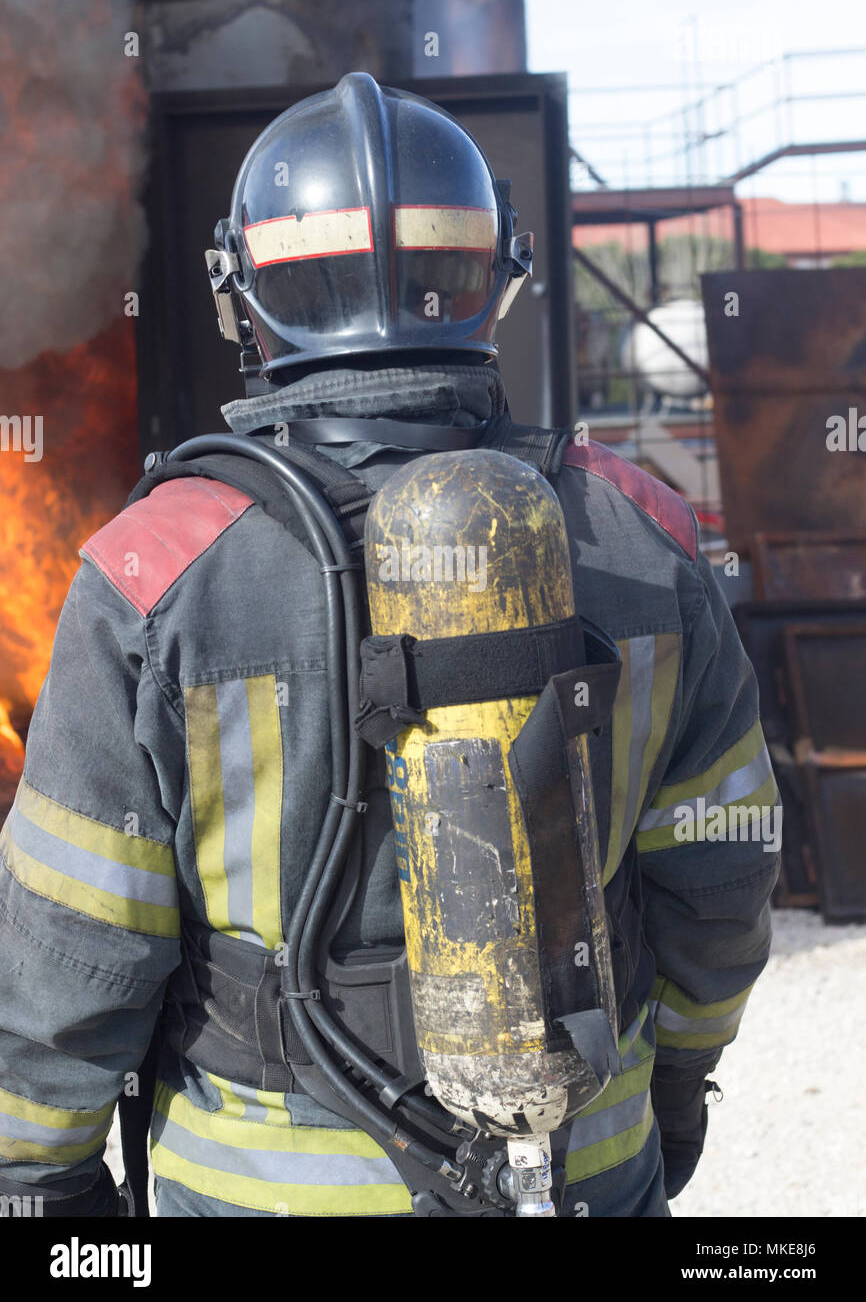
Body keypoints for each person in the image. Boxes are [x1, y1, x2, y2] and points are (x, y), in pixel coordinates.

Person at [0, 73, 780, 1218]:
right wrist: (670, 1090)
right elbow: (722, 874)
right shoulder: (644, 533)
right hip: (582, 1177)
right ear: (491, 278)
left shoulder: (151, 573)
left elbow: (76, 940)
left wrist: (40, 1179)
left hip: (261, 1194)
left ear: (243, 294)